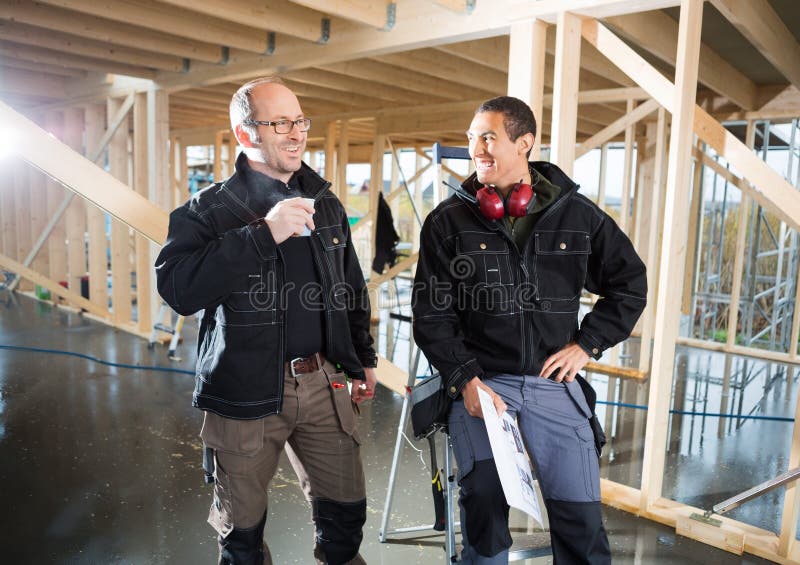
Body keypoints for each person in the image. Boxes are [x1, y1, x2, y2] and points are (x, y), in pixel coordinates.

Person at [412, 96, 647, 564]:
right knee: (482, 509)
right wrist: (465, 380)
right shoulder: (447, 222)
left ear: (525, 143)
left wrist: (587, 343)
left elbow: (630, 284)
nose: (475, 147)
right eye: (471, 137)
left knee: (580, 521)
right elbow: (431, 315)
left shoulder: (578, 217)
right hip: (482, 386)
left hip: (550, 385)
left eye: (488, 137)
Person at [155, 76, 378, 565]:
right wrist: (264, 234)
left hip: (322, 382)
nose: (296, 133)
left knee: (345, 520)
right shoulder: (208, 212)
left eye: (299, 120)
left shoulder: (326, 203)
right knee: (243, 540)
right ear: (244, 134)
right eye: (280, 122)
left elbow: (349, 287)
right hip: (242, 394)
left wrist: (362, 357)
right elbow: (178, 289)